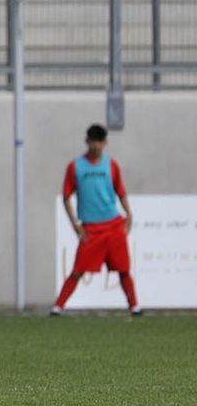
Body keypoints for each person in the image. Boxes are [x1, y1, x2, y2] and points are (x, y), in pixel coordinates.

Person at [51, 124, 141, 316]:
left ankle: (135, 307)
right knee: (78, 270)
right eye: (93, 141)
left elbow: (120, 191)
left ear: (105, 143)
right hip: (91, 228)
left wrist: (129, 213)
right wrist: (75, 224)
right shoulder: (75, 166)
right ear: (87, 142)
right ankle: (57, 307)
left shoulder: (111, 165)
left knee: (123, 269)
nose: (96, 146)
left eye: (100, 142)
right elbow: (66, 196)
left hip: (114, 225)